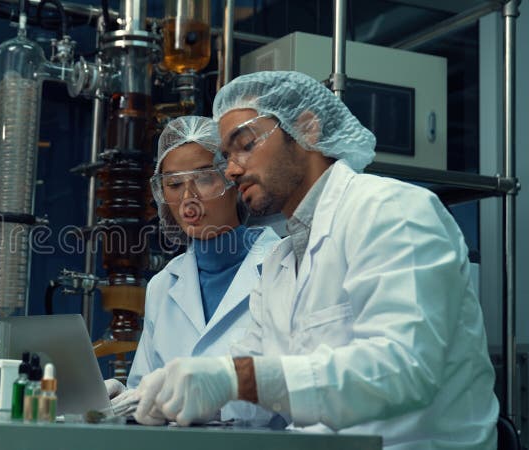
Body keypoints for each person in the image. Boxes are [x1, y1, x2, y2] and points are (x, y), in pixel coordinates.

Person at [133, 71, 498, 449]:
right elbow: (248, 392)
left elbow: (402, 369)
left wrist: (235, 378)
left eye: (245, 144)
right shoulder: (280, 264)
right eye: (226, 156)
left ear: (306, 128)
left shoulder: (392, 211)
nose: (232, 169)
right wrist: (157, 395)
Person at [105, 116, 280, 423]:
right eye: (173, 184)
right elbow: (145, 387)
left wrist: (214, 398)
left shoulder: (282, 266)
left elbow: (298, 384)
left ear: (232, 179)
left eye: (203, 179)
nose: (188, 198)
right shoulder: (163, 286)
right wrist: (126, 402)